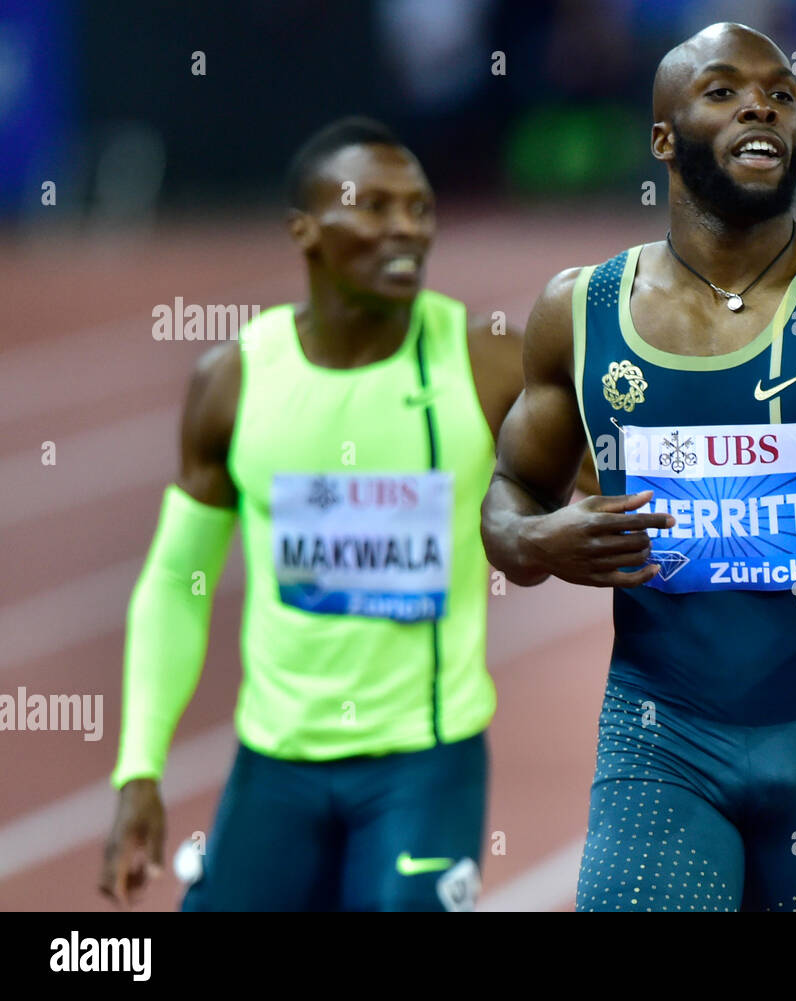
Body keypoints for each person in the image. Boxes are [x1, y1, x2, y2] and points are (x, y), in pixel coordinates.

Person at [481, 23, 796, 911]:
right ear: (663, 138)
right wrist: (541, 536)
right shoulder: (580, 312)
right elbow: (509, 500)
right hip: (658, 742)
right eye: (723, 90)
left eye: (781, 94)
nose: (761, 105)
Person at [99, 116, 557, 911]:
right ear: (304, 230)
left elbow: (610, 484)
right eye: (373, 207)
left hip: (425, 761)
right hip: (278, 761)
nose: (405, 229)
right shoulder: (234, 380)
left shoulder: (486, 363)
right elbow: (179, 579)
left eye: (419, 208)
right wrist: (139, 767)